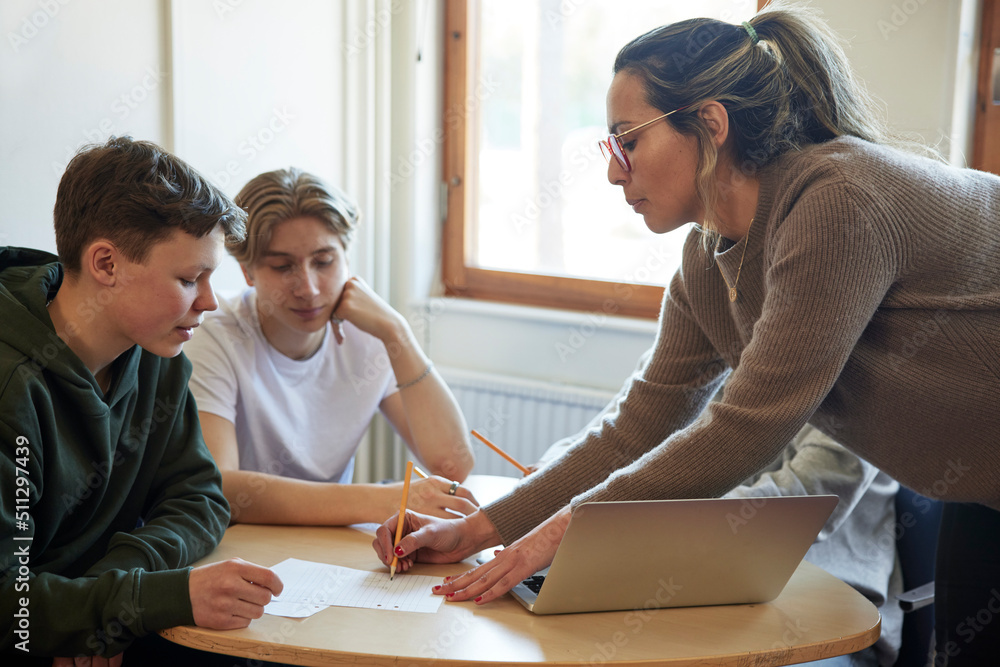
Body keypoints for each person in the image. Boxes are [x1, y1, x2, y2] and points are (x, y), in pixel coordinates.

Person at [373, 4, 1000, 664]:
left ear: (710, 122)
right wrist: (480, 529)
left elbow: (747, 426)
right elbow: (637, 425)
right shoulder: (707, 259)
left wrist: (559, 532)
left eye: (627, 140)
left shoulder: (836, 202)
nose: (615, 170)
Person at [0, 137, 283, 665]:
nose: (209, 302)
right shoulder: (10, 392)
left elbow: (200, 498)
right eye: (188, 278)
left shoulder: (157, 350)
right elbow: (6, 608)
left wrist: (114, 596)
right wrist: (144, 600)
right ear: (106, 264)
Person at [530, 351, 902, 667]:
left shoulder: (867, 374)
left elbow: (802, 496)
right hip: (682, 587)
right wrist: (549, 481)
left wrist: (637, 517)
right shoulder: (697, 343)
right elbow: (607, 435)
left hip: (820, 610)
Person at [184, 168, 477, 527]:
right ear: (248, 272)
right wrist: (387, 500)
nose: (307, 287)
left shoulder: (372, 333)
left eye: (324, 262)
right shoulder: (215, 333)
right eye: (282, 266)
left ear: (346, 258)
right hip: (242, 545)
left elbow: (453, 465)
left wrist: (397, 333)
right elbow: (222, 487)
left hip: (329, 546)